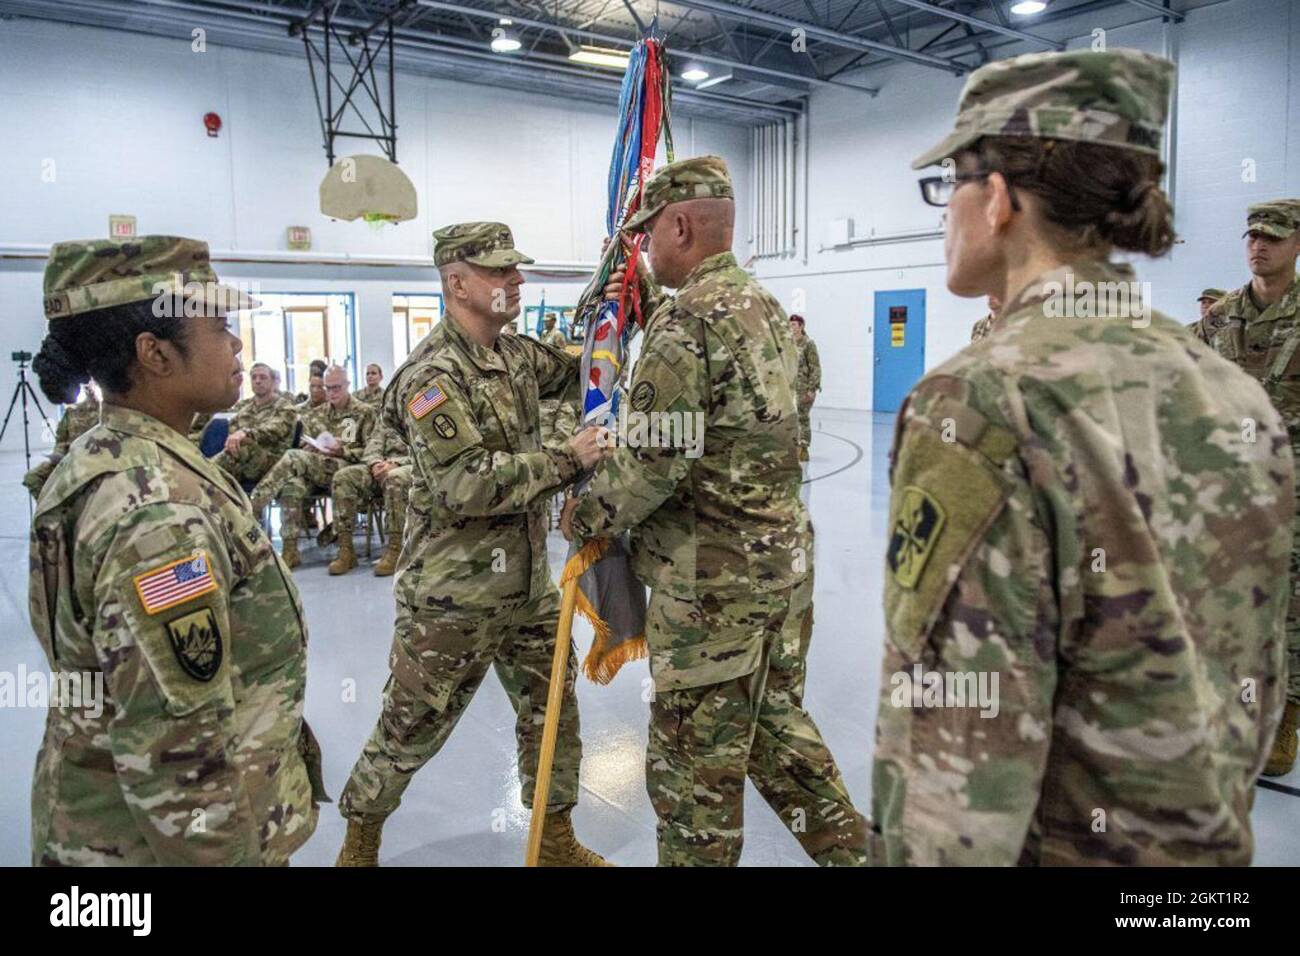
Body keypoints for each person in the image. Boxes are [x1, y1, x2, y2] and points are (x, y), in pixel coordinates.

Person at [875, 48, 1291, 866]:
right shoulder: (1231, 391)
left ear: (997, 199)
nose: (944, 214)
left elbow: (958, 768)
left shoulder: (983, 400)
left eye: (947, 187)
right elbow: (1256, 675)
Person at [561, 157, 869, 867]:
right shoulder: (766, 310)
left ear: (680, 225)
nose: (643, 250)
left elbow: (652, 463)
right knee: (772, 735)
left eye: (648, 237)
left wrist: (587, 513)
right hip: (782, 573)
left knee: (693, 774)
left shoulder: (686, 322)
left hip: (711, 590)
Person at [27, 235, 326, 865]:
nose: (237, 343)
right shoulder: (158, 515)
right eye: (218, 324)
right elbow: (179, 755)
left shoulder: (122, 456)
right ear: (155, 353)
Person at [335, 222, 608, 867]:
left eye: (517, 270)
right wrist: (566, 461)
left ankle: (555, 838)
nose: (515, 281)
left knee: (553, 712)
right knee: (410, 729)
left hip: (526, 590)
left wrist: (620, 300)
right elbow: (466, 484)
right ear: (457, 283)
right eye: (500, 272)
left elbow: (581, 367)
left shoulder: (515, 355)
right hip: (451, 599)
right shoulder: (430, 379)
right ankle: (359, 843)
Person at [1205, 199, 1300, 776]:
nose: (1258, 246)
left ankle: (1287, 714)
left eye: (1273, 236)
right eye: (1252, 236)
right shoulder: (1219, 318)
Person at [250, 365, 375, 570]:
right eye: (328, 388)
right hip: (316, 467)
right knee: (292, 484)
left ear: (347, 385)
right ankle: (290, 550)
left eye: (336, 387)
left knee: (292, 457)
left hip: (348, 468)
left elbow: (371, 452)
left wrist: (342, 451)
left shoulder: (364, 412)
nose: (332, 392)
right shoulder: (315, 415)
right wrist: (311, 448)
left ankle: (252, 506)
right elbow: (305, 445)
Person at [329, 416, 412, 577]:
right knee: (343, 477)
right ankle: (346, 549)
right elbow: (373, 445)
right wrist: (375, 463)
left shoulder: (427, 400)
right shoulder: (389, 411)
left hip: (413, 466)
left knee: (394, 477)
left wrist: (396, 463)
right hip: (382, 466)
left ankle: (396, 549)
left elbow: (430, 447)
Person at [209, 361, 298, 487]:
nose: (257, 381)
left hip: (274, 462)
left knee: (243, 449)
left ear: (273, 382)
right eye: (254, 377)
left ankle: (209, 476)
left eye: (263, 377)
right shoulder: (244, 409)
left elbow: (273, 431)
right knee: (231, 454)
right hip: (243, 460)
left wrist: (246, 434)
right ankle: (209, 480)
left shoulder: (285, 408)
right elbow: (232, 437)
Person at [22, 383, 100, 499]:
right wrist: (58, 455)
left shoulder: (105, 413)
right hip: (67, 460)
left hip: (91, 462)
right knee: (33, 478)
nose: (90, 392)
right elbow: (61, 440)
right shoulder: (72, 413)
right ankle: (51, 510)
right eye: (87, 389)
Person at [789, 314, 821, 462]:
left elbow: (815, 368)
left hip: (803, 387)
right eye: (790, 325)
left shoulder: (808, 344)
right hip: (790, 387)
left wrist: (812, 389)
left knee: (803, 419)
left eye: (794, 325)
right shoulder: (787, 343)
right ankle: (793, 447)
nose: (791, 327)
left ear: (801, 326)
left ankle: (804, 449)